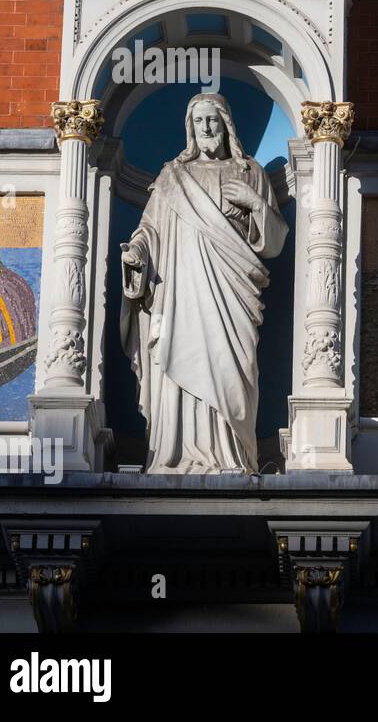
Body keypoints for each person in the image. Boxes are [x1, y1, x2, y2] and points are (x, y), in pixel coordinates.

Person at [120, 93, 289, 474]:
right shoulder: (172, 176)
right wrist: (137, 255)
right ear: (190, 129)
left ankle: (234, 454)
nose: (207, 128)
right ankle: (176, 452)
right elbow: (150, 229)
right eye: (199, 122)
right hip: (181, 292)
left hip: (232, 295)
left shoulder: (250, 173)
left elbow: (276, 241)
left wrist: (255, 204)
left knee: (235, 365)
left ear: (227, 123)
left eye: (213, 120)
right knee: (181, 358)